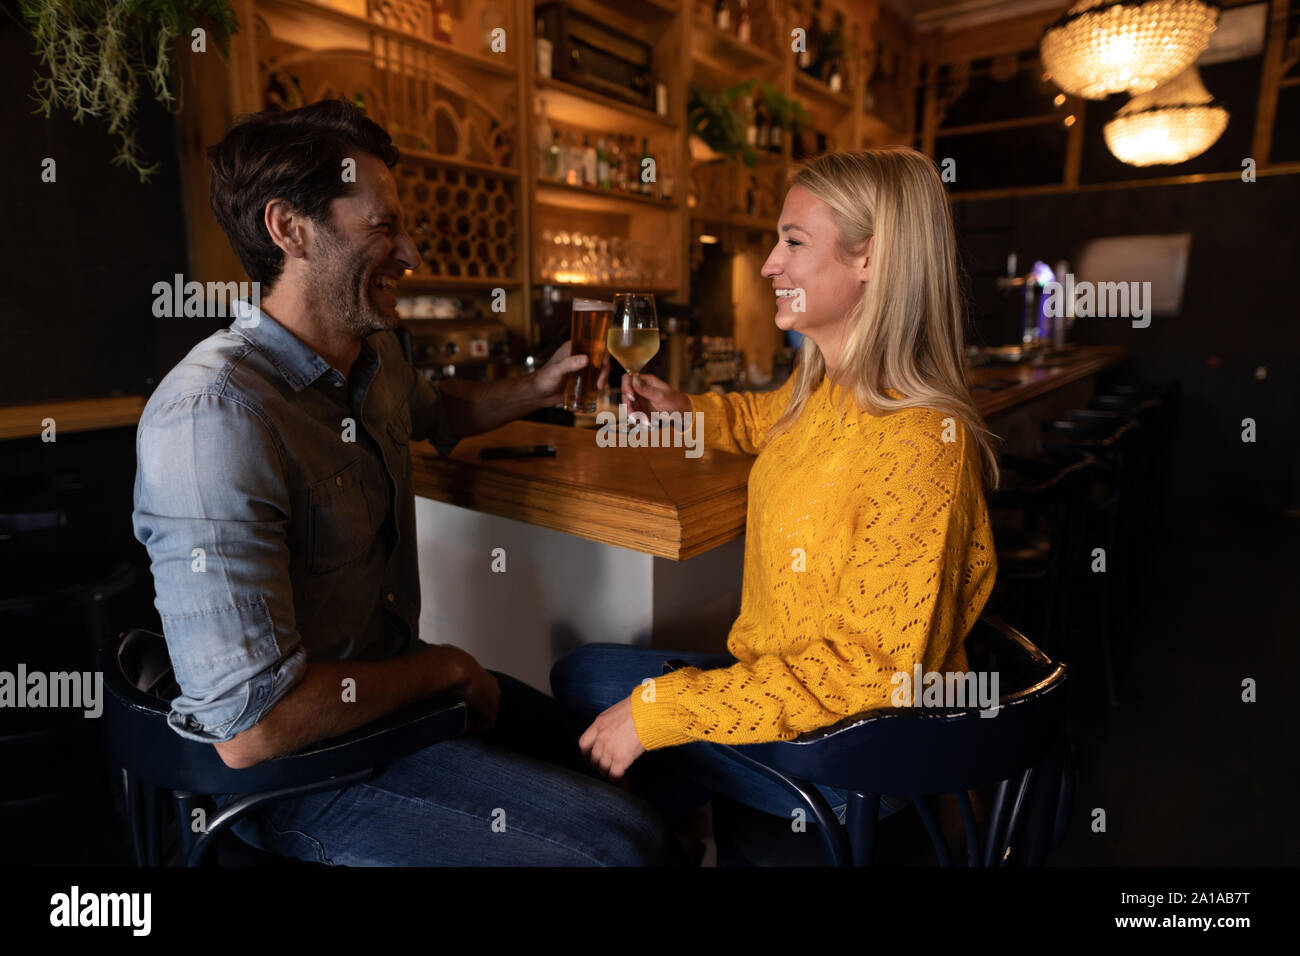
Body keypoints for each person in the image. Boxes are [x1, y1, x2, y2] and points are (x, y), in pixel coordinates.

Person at [131, 99, 678, 866]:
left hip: (396, 707)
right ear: (290, 229)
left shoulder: (371, 356)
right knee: (623, 845)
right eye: (383, 227)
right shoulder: (213, 417)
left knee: (638, 755)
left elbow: (442, 411)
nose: (412, 252)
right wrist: (446, 668)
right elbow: (252, 728)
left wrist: (542, 385)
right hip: (298, 778)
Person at [551, 148, 1001, 836]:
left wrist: (661, 712)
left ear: (871, 259)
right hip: (796, 698)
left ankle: (628, 841)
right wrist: (686, 411)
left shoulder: (919, 442)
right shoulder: (825, 387)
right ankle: (639, 839)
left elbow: (870, 674)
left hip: (854, 761)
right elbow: (771, 421)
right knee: (586, 675)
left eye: (793, 241)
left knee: (593, 695)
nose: (769, 264)